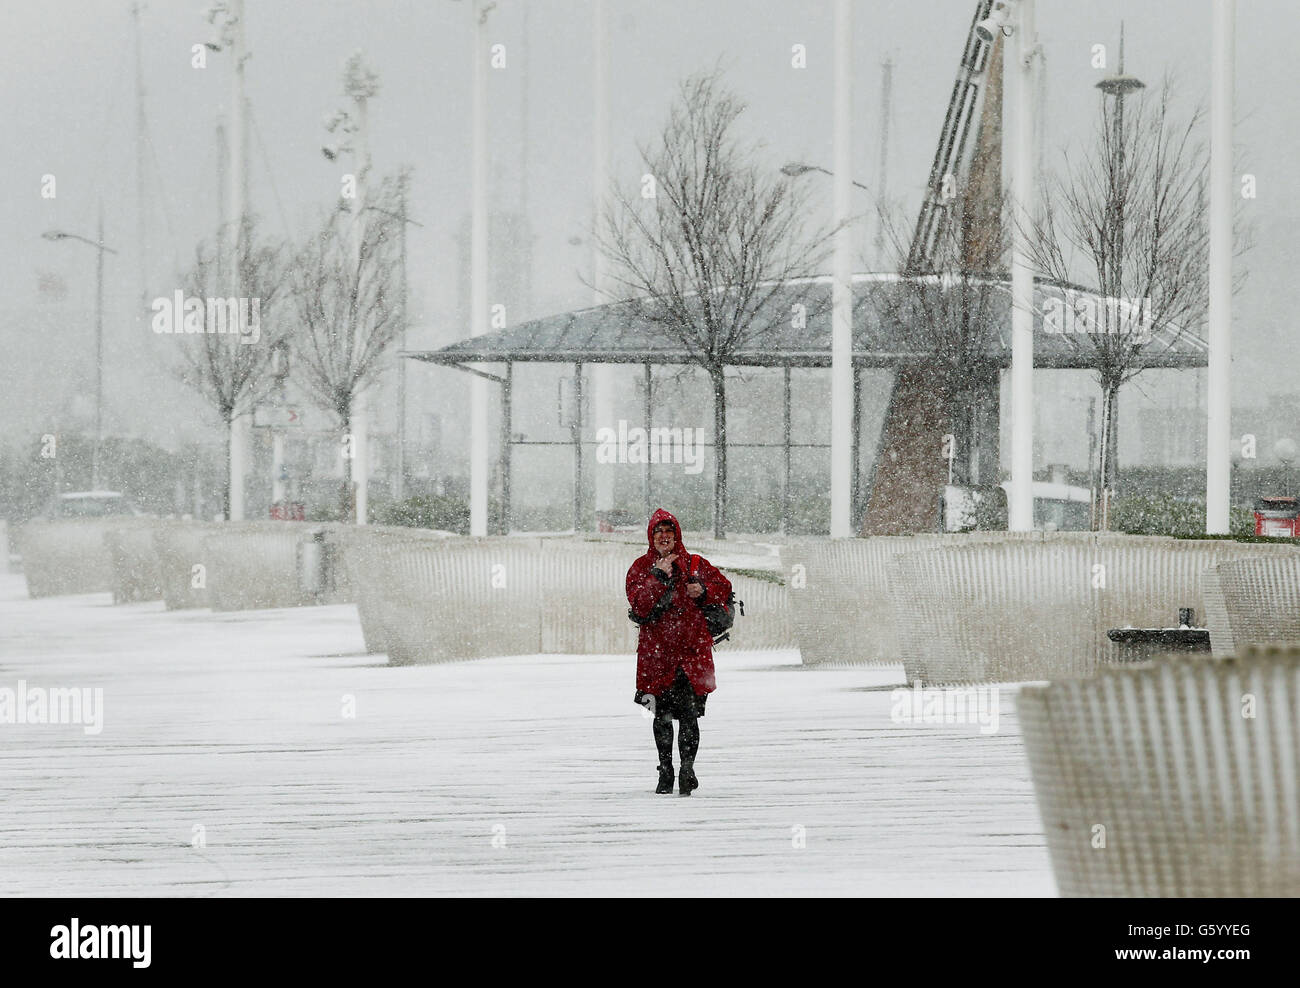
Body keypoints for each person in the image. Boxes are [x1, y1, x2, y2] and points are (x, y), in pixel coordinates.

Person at [626, 508, 731, 795]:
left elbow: (725, 588)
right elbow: (640, 605)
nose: (663, 536)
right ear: (651, 536)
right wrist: (658, 576)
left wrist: (705, 590)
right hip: (656, 658)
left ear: (677, 535)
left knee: (688, 717)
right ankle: (666, 770)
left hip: (689, 655)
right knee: (659, 717)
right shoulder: (640, 567)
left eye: (668, 531)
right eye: (658, 532)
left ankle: (686, 768)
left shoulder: (695, 563)